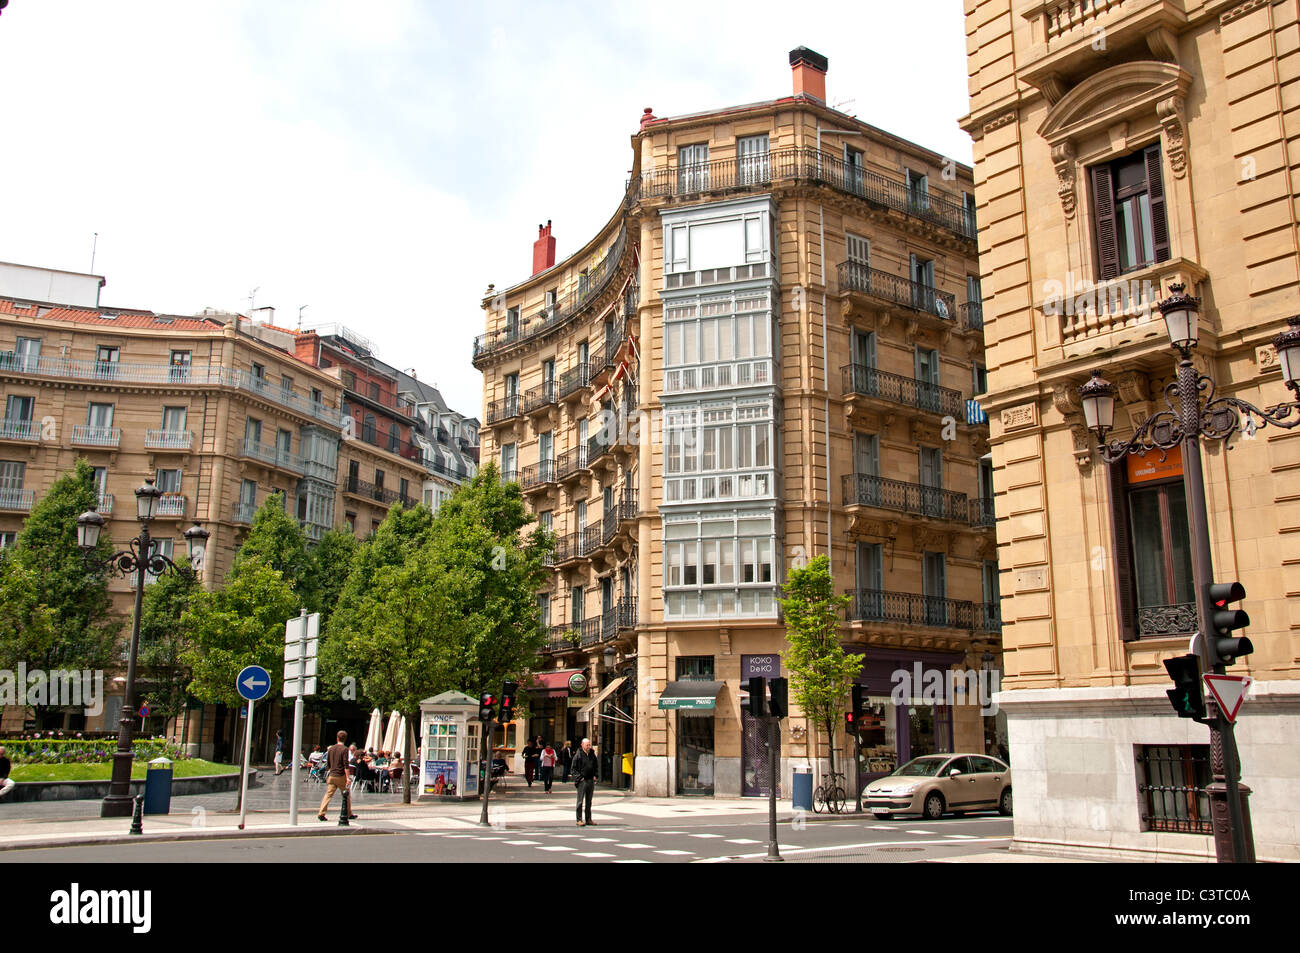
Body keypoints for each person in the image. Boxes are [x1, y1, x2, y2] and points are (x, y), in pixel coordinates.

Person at [317, 731, 357, 821]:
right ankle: (349, 813)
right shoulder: (344, 749)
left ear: (337, 738)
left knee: (328, 795)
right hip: (341, 776)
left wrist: (330, 770)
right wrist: (348, 778)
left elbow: (328, 764)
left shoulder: (331, 749)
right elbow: (346, 765)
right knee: (346, 795)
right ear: (345, 739)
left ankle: (321, 813)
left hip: (332, 775)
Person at [572, 737, 598, 826]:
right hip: (582, 781)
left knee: (589, 801)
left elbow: (596, 765)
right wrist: (579, 778)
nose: (588, 746)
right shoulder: (578, 755)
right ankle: (579, 819)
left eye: (589, 745)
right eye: (587, 745)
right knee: (580, 801)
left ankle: (588, 819)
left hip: (590, 780)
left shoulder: (592, 754)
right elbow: (573, 769)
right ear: (582, 745)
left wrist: (595, 775)